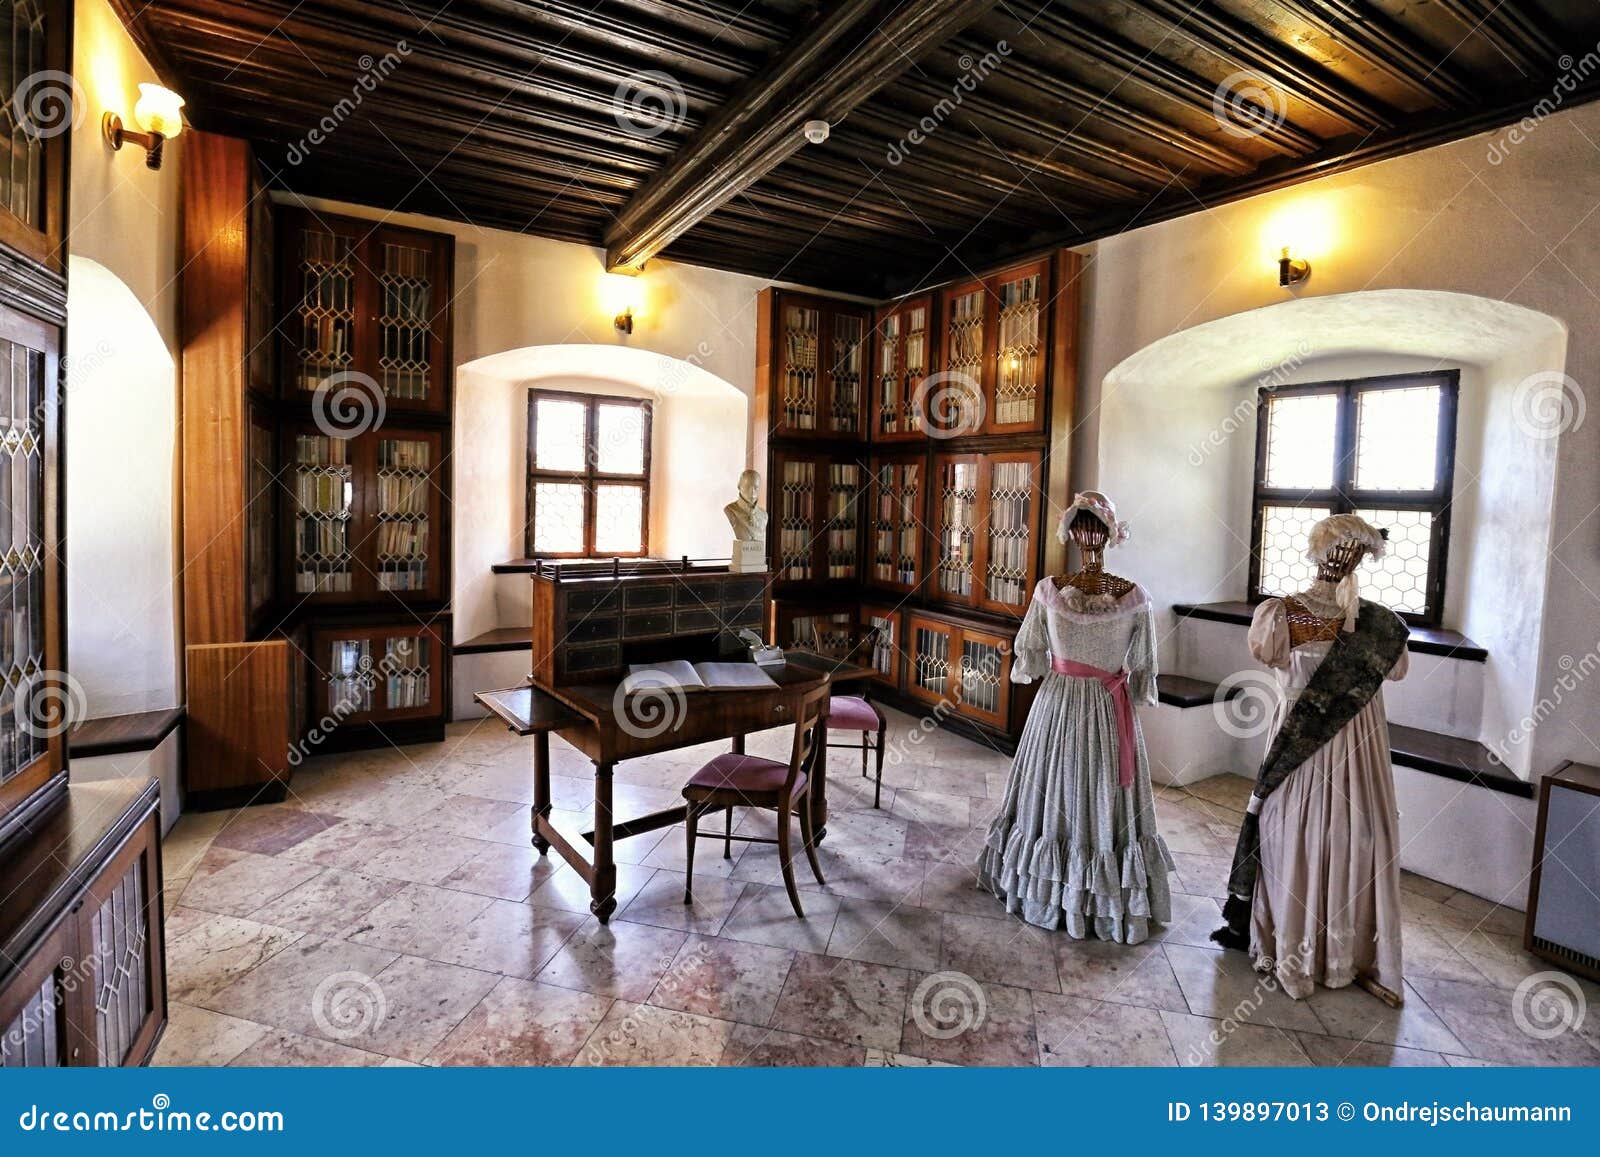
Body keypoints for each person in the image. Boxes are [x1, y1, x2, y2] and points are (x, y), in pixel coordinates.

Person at [1213, 513, 1409, 1005]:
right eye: (1337, 547)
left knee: (1355, 839)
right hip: (1299, 746)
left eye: (1357, 550)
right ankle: (1293, 947)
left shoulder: (1381, 624)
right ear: (1318, 551)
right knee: (1291, 837)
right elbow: (1271, 657)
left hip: (1358, 749)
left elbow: (1398, 671)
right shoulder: (1281, 614)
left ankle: (1347, 955)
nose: (1345, 557)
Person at [977, 491, 1173, 942]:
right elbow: (1030, 649)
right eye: (1082, 525)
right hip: (1061, 708)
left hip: (1103, 709)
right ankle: (1052, 889)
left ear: (1110, 533)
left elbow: (1143, 663)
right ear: (1072, 531)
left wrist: (1134, 688)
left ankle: (1097, 898)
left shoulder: (1134, 596)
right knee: (1053, 790)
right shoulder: (1049, 590)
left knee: (1100, 791)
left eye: (1096, 525)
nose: (1088, 535)